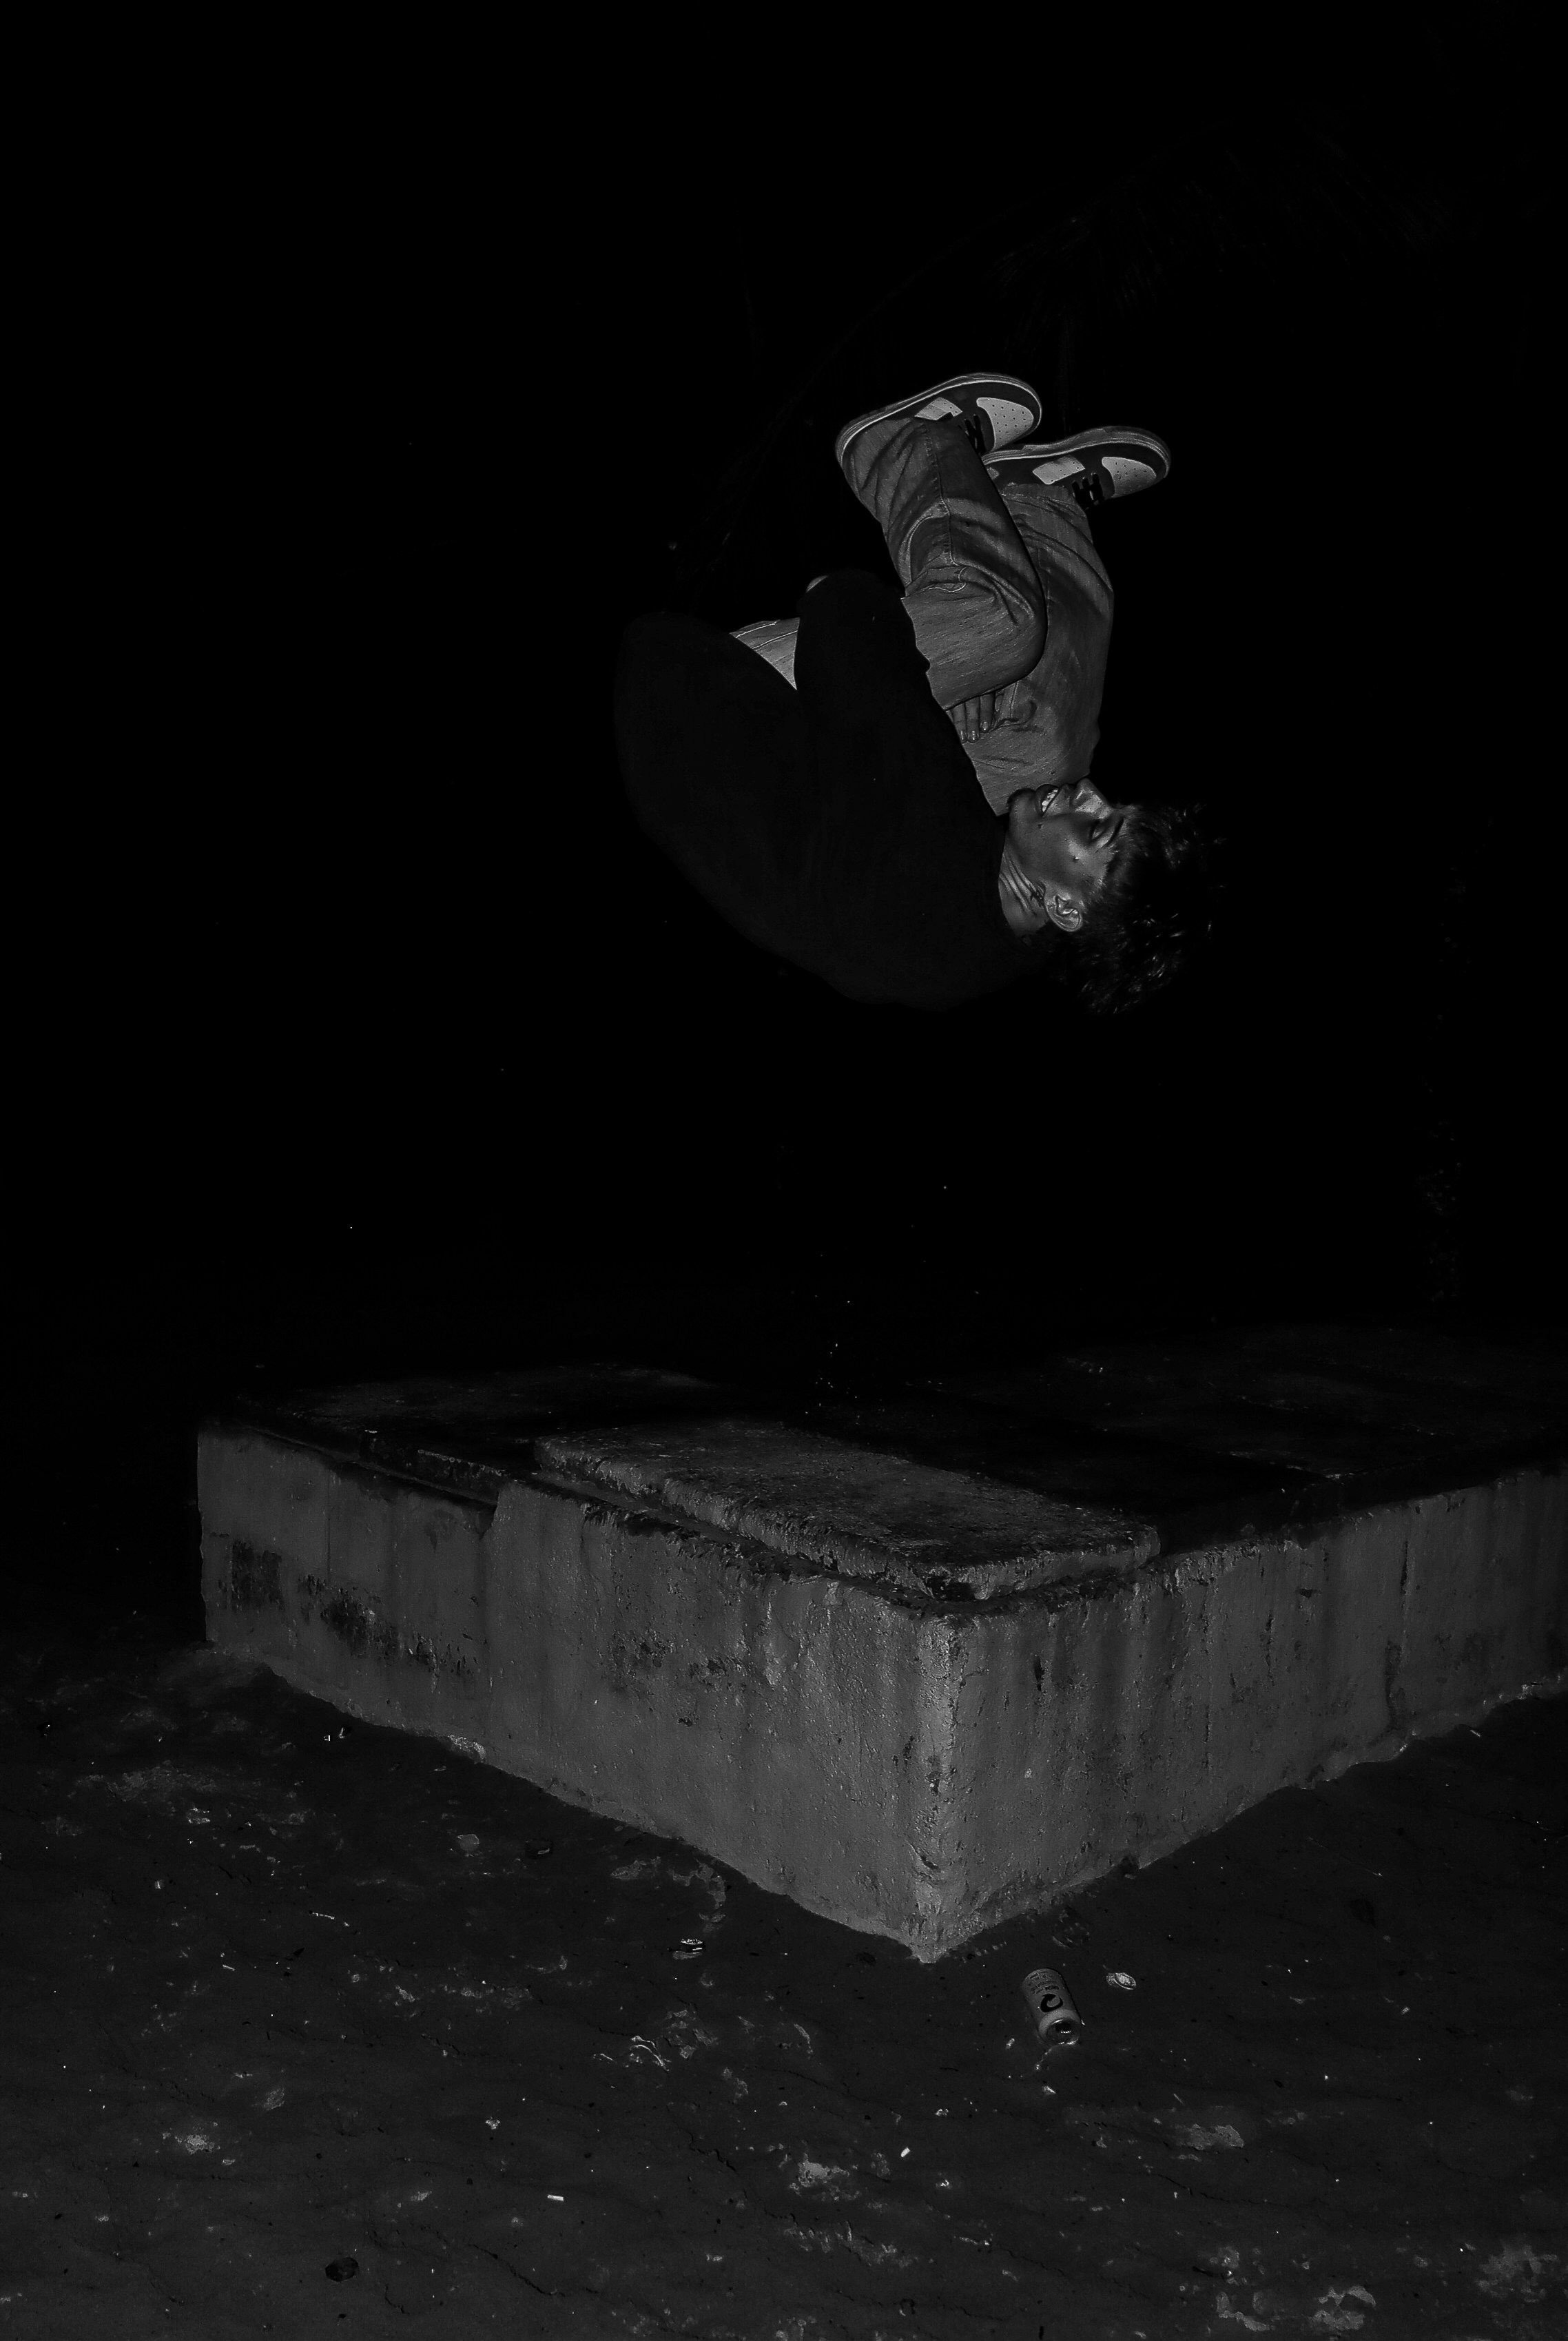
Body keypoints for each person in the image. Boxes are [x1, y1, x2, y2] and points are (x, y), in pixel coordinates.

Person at [615, 372, 1207, 1011]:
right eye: (1111, 808)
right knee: (1046, 748)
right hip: (826, 771)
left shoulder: (919, 859)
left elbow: (841, 609)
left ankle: (910, 444)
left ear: (1066, 906)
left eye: (1094, 831)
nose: (1091, 797)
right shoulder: (1007, 928)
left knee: (1001, 627)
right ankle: (1032, 502)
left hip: (699, 694)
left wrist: (939, 686)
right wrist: (922, 703)